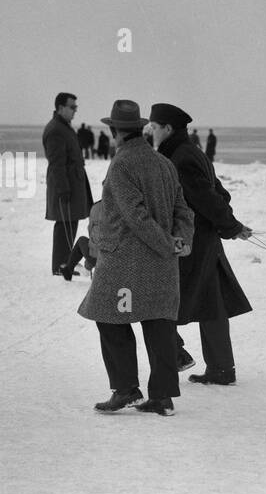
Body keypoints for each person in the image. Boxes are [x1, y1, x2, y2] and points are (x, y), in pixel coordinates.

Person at [77, 99, 194, 417]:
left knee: (107, 316)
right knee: (158, 324)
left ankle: (126, 388)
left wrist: (167, 244)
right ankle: (162, 397)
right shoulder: (163, 163)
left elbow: (136, 217)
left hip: (125, 262)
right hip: (163, 264)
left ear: (114, 131)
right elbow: (183, 209)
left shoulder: (121, 165)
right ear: (140, 129)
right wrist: (180, 241)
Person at [148, 103, 254, 386]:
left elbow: (208, 198)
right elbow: (221, 194)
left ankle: (178, 355)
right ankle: (221, 369)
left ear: (168, 129)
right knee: (212, 305)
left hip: (190, 245)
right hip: (205, 241)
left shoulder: (179, 158)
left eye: (155, 126)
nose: (150, 130)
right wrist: (228, 225)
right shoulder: (191, 152)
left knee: (162, 299)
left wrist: (231, 226)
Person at [43, 91, 95, 277]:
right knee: (64, 224)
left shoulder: (63, 126)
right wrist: (63, 189)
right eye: (72, 107)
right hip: (66, 185)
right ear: (60, 108)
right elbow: (57, 164)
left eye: (76, 107)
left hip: (72, 183)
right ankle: (60, 265)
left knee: (70, 222)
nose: (75, 111)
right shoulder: (56, 130)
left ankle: (66, 262)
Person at [58, 201, 106, 282]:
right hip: (117, 255)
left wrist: (88, 264)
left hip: (99, 257)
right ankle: (89, 269)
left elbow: (93, 236)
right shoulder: (120, 206)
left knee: (82, 240)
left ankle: (69, 269)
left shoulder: (96, 207)